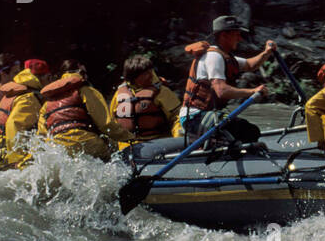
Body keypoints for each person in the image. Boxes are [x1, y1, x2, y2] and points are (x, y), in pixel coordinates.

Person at [179, 15, 275, 144]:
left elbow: (250, 65)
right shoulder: (214, 57)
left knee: (250, 131)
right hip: (194, 118)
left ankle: (222, 145)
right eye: (236, 35)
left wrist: (267, 52)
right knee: (248, 132)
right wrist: (252, 92)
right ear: (224, 35)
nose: (240, 39)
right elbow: (222, 91)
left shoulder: (225, 57)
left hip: (205, 115)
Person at [37, 59, 132, 159]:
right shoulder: (87, 91)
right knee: (115, 154)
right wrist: (129, 137)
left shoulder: (47, 103)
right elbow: (106, 125)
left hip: (57, 148)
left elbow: (42, 135)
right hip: (87, 145)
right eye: (85, 73)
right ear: (80, 73)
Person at [0, 59, 49, 169]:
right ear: (42, 78)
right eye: (49, 77)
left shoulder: (10, 94)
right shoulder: (29, 98)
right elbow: (13, 126)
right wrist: (17, 161)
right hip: (6, 159)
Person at [110, 54, 182, 145]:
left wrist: (178, 140)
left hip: (159, 143)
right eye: (145, 74)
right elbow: (112, 122)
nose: (150, 76)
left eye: (150, 71)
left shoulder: (162, 92)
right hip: (128, 147)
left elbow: (177, 117)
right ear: (134, 77)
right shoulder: (118, 96)